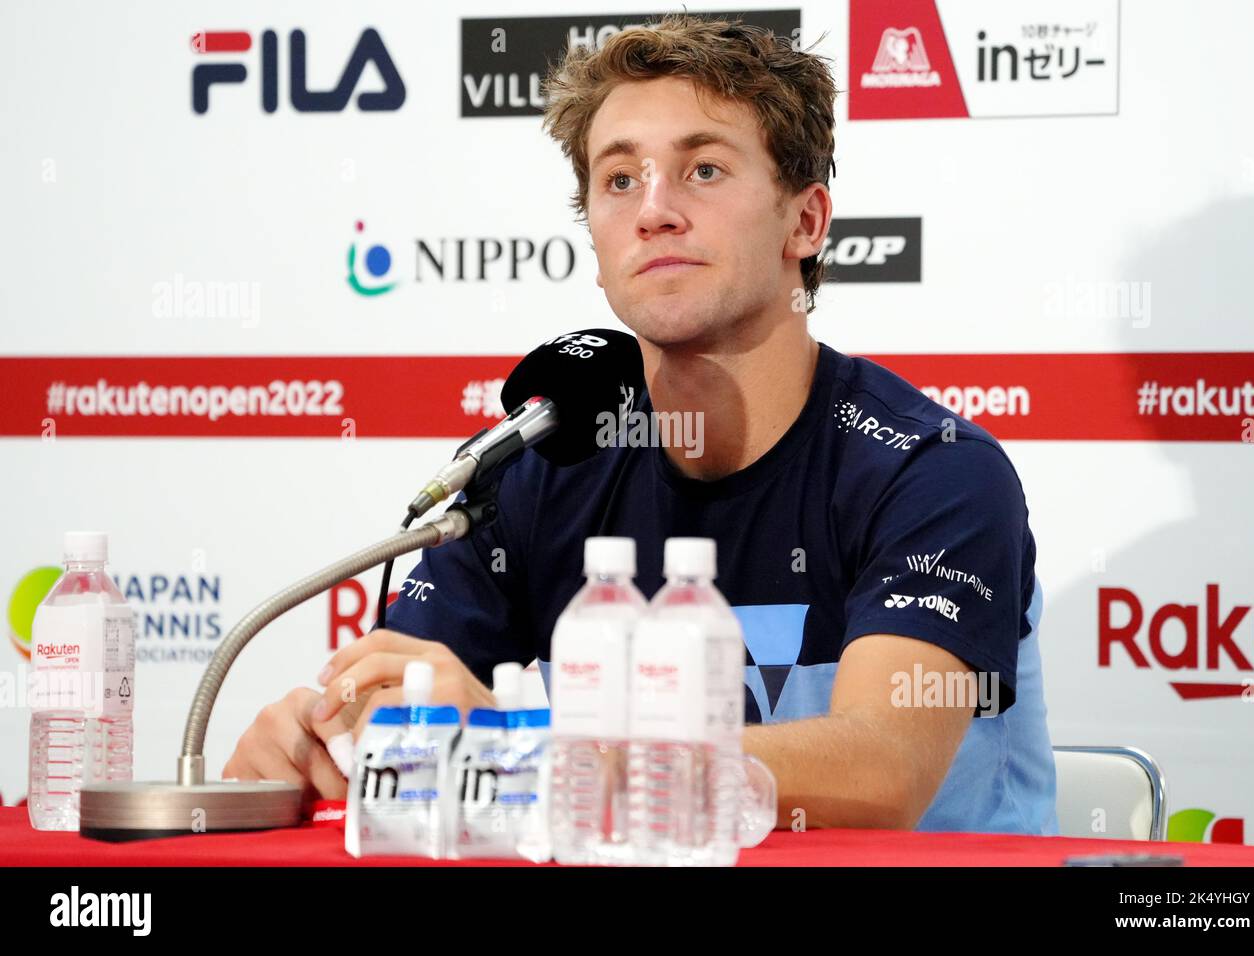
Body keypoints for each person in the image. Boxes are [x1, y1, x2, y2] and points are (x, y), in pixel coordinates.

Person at [224, 15, 1057, 833]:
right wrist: (328, 738)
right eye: (620, 180)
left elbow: (882, 774)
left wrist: (534, 749)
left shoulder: (930, 471)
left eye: (702, 170)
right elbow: (406, 703)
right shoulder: (528, 467)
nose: (653, 210)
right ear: (594, 239)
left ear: (804, 222)